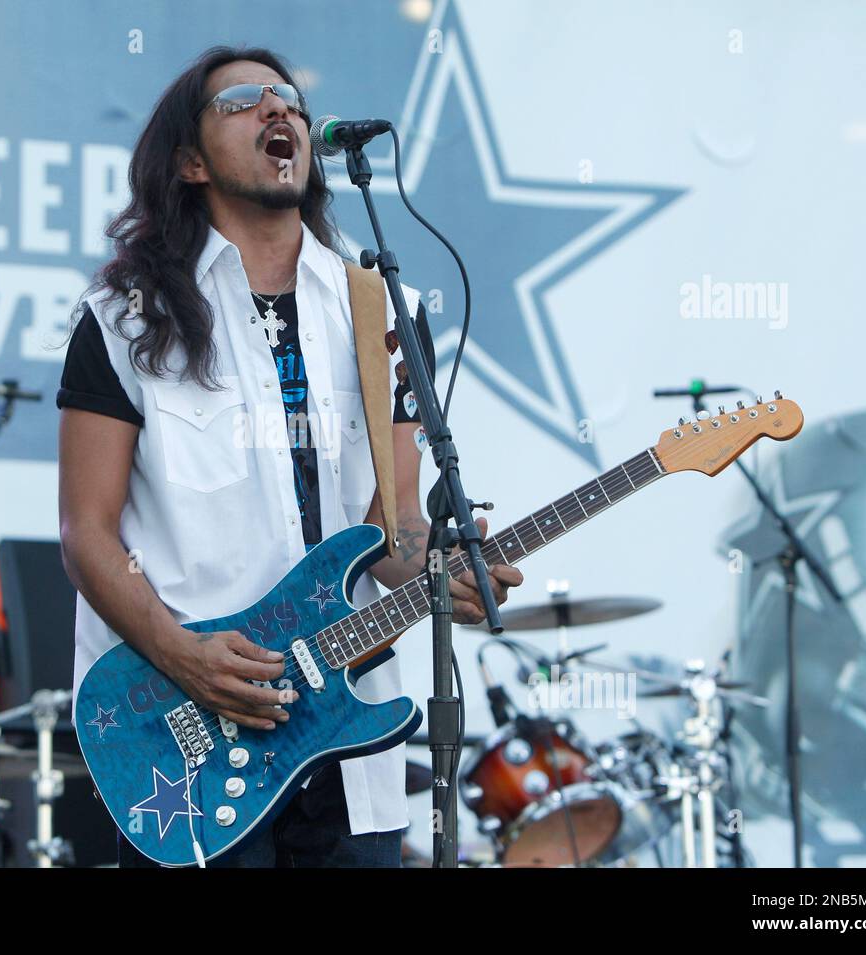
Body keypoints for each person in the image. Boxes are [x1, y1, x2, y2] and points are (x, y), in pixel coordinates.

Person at [57, 45, 522, 867]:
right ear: (190, 161)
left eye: (288, 100)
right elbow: (86, 532)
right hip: (189, 745)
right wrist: (179, 652)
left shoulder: (387, 308)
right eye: (242, 100)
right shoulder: (126, 319)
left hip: (350, 739)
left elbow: (393, 530)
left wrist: (439, 575)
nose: (278, 111)